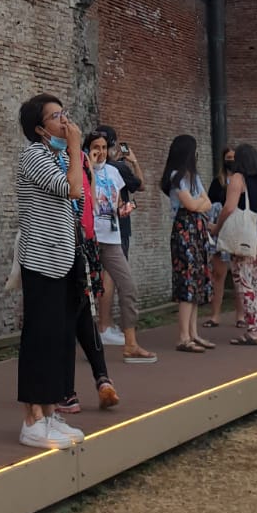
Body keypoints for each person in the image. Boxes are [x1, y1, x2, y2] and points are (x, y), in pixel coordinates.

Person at [15, 93, 88, 448]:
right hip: (42, 259)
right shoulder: (34, 155)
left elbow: (78, 196)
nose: (65, 122)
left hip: (64, 258)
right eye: (57, 116)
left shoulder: (56, 157)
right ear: (40, 128)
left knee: (59, 338)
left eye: (65, 114)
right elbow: (73, 190)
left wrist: (70, 154)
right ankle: (32, 419)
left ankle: (50, 411)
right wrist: (76, 149)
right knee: (40, 338)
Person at [56, 144, 119, 414]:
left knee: (70, 316)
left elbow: (84, 197)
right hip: (82, 239)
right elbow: (89, 199)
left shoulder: (72, 159)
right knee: (81, 313)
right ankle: (102, 379)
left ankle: (67, 392)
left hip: (71, 242)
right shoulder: (76, 159)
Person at [88, 133, 156, 363]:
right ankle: (88, 344)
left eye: (104, 147)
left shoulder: (114, 172)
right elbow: (88, 199)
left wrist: (124, 208)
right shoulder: (83, 171)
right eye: (96, 147)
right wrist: (90, 167)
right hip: (90, 238)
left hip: (112, 238)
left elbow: (116, 202)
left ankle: (131, 344)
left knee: (128, 287)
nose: (101, 152)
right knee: (85, 294)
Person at [160, 134, 215, 353]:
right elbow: (192, 204)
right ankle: (183, 336)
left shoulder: (194, 176)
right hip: (184, 231)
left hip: (198, 231)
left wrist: (199, 204)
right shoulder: (177, 177)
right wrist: (199, 204)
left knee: (197, 280)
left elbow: (207, 203)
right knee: (187, 280)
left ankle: (193, 333)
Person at [219, 142, 257, 346]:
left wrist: (217, 227)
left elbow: (229, 207)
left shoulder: (238, 178)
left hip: (246, 237)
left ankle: (253, 329)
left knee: (244, 281)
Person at [203, 147, 245, 330]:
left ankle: (241, 315)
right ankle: (215, 315)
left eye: (233, 158)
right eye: (228, 158)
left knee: (238, 276)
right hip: (220, 231)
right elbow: (210, 206)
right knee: (218, 274)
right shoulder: (217, 182)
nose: (231, 161)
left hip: (236, 229)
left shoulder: (243, 181)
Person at [96, 124, 143, 260]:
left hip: (98, 228)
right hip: (119, 227)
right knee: (118, 271)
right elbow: (140, 185)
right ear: (113, 143)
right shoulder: (119, 168)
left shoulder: (91, 166)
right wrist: (134, 161)